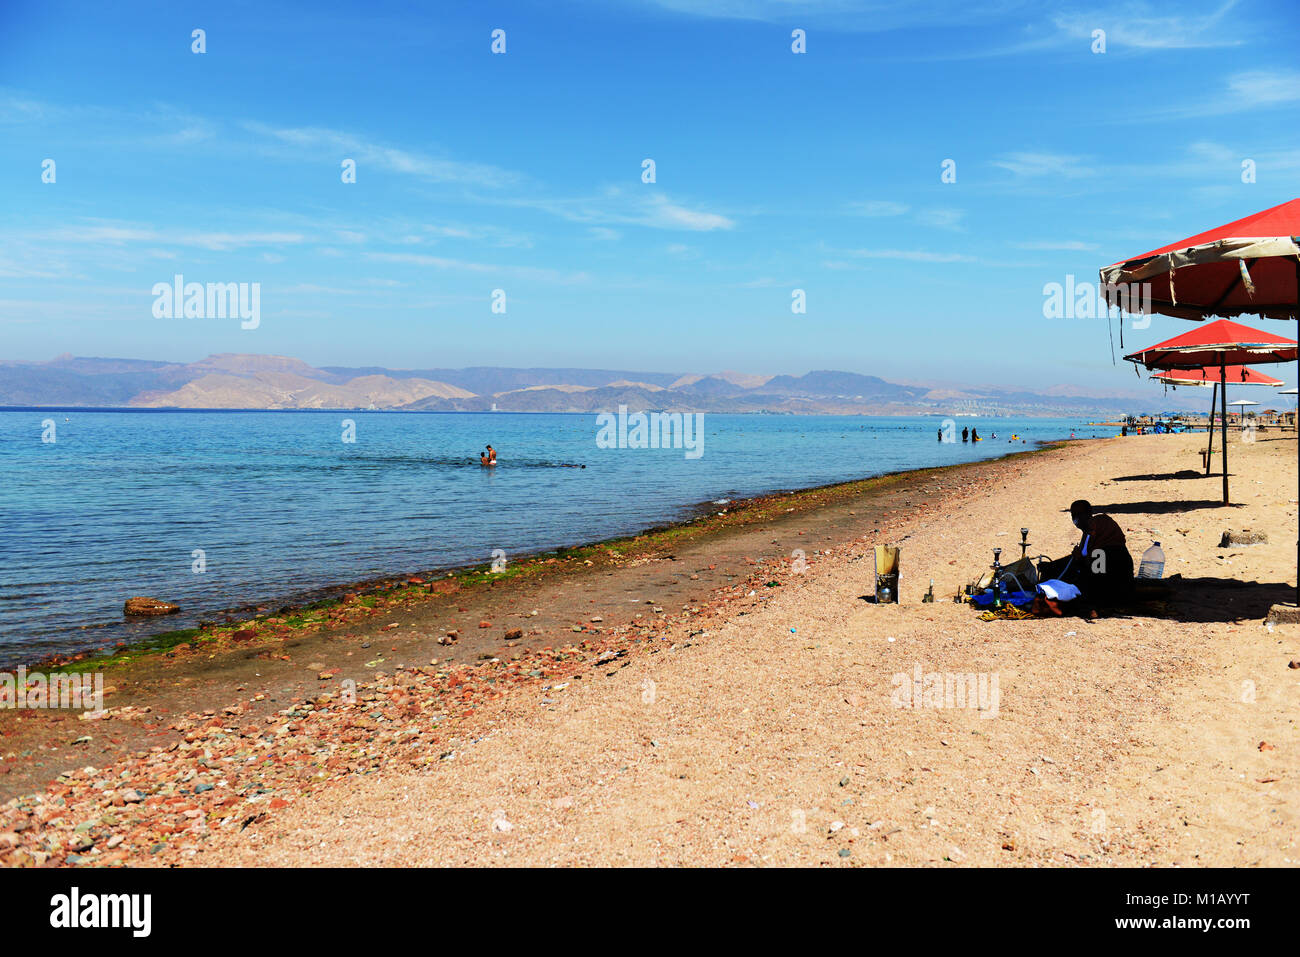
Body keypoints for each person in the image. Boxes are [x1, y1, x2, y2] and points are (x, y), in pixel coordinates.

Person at [1036, 499, 1134, 616]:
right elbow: (1080, 560)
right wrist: (1053, 565)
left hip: (1110, 597)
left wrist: (1080, 561)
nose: (1077, 519)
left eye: (1080, 514)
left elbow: (1095, 579)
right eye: (1074, 515)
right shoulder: (1092, 537)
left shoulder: (1105, 551)